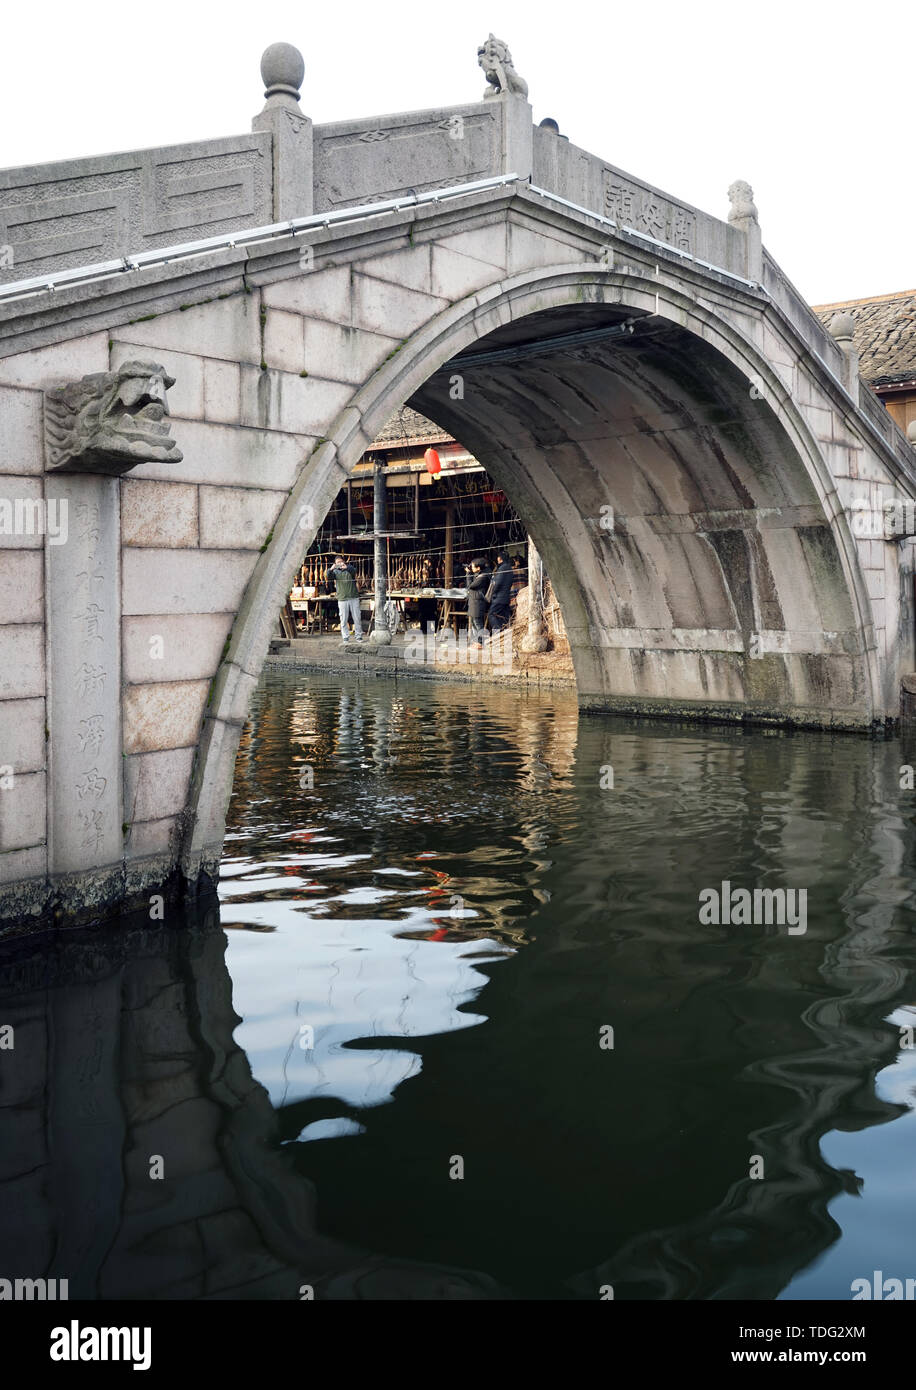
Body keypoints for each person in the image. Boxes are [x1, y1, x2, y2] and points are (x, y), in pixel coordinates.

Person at [330, 555, 363, 643]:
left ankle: (359, 636)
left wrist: (347, 567)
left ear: (344, 561)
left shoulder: (350, 569)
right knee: (343, 619)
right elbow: (328, 576)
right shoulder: (335, 572)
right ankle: (345, 637)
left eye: (341, 561)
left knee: (357, 618)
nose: (340, 564)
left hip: (353, 597)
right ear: (335, 564)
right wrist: (331, 569)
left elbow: (354, 571)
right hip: (342, 598)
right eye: (338, 563)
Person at [485, 551, 514, 632]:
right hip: (506, 596)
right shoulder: (509, 568)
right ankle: (505, 633)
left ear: (500, 559)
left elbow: (497, 583)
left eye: (498, 557)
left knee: (491, 614)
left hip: (499, 597)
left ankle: (498, 632)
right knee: (504, 617)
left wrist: (493, 594)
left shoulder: (502, 568)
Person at [466, 558, 491, 643]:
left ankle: (481, 641)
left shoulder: (482, 577)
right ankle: (477, 641)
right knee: (473, 623)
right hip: (474, 602)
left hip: (478, 603)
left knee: (478, 623)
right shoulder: (479, 575)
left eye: (473, 567)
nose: (471, 568)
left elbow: (470, 586)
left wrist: (468, 574)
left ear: (478, 568)